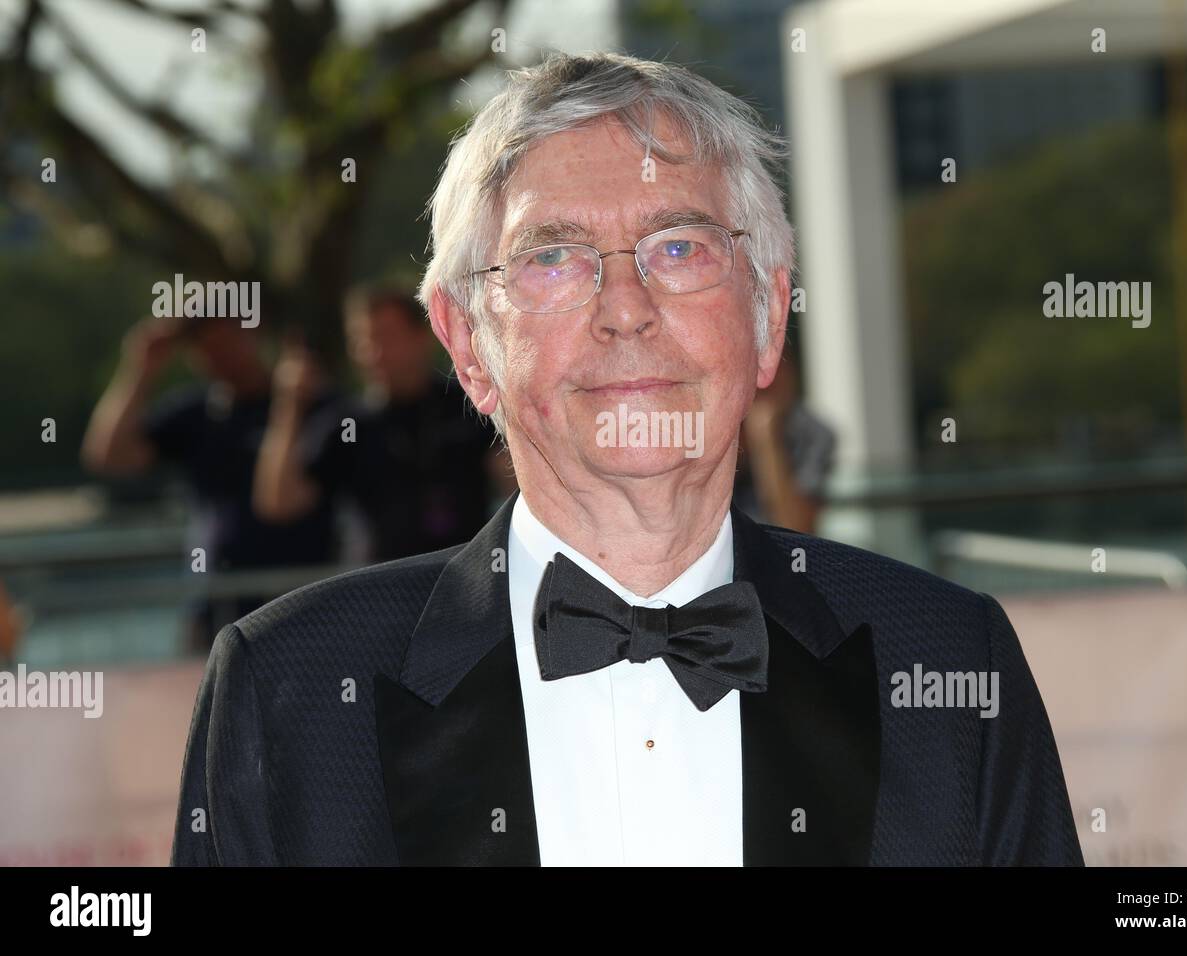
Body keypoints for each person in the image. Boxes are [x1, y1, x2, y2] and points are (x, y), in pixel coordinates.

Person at [171, 53, 1082, 866]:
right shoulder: (284, 691)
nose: (625, 308)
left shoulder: (952, 664)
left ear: (769, 318)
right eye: (554, 259)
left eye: (679, 248)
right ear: (470, 347)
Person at [82, 314, 338, 653]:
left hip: (302, 603)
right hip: (213, 608)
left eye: (226, 340)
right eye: (204, 347)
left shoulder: (314, 406)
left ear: (255, 333)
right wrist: (141, 369)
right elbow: (108, 456)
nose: (218, 355)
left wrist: (290, 406)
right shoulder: (197, 412)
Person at [253, 286, 504, 564]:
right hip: (382, 582)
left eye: (387, 337)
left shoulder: (471, 403)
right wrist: (289, 405)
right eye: (362, 341)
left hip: (465, 573)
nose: (373, 353)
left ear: (425, 335)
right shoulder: (349, 425)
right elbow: (278, 503)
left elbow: (515, 484)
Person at [734, 347, 836, 533]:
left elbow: (796, 527)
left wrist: (767, 442)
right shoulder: (711, 424)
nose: (764, 382)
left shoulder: (812, 433)